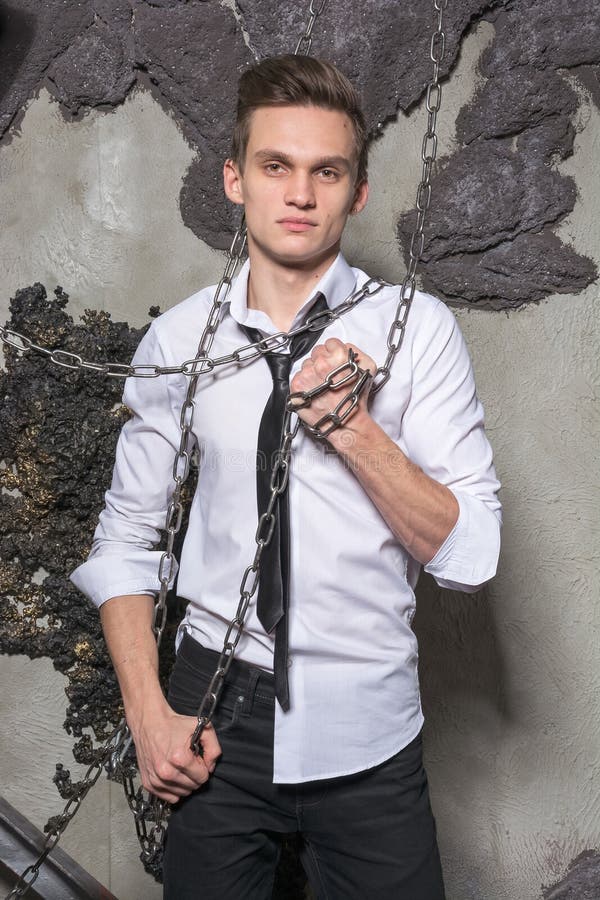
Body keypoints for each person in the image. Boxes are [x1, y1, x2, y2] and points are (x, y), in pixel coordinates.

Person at [71, 55, 502, 899]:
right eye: (276, 166)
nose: (300, 194)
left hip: (369, 721)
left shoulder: (418, 331)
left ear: (357, 192)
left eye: (326, 172)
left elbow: (473, 555)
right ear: (235, 180)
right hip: (212, 712)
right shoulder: (180, 341)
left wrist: (352, 428)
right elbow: (125, 539)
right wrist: (148, 715)